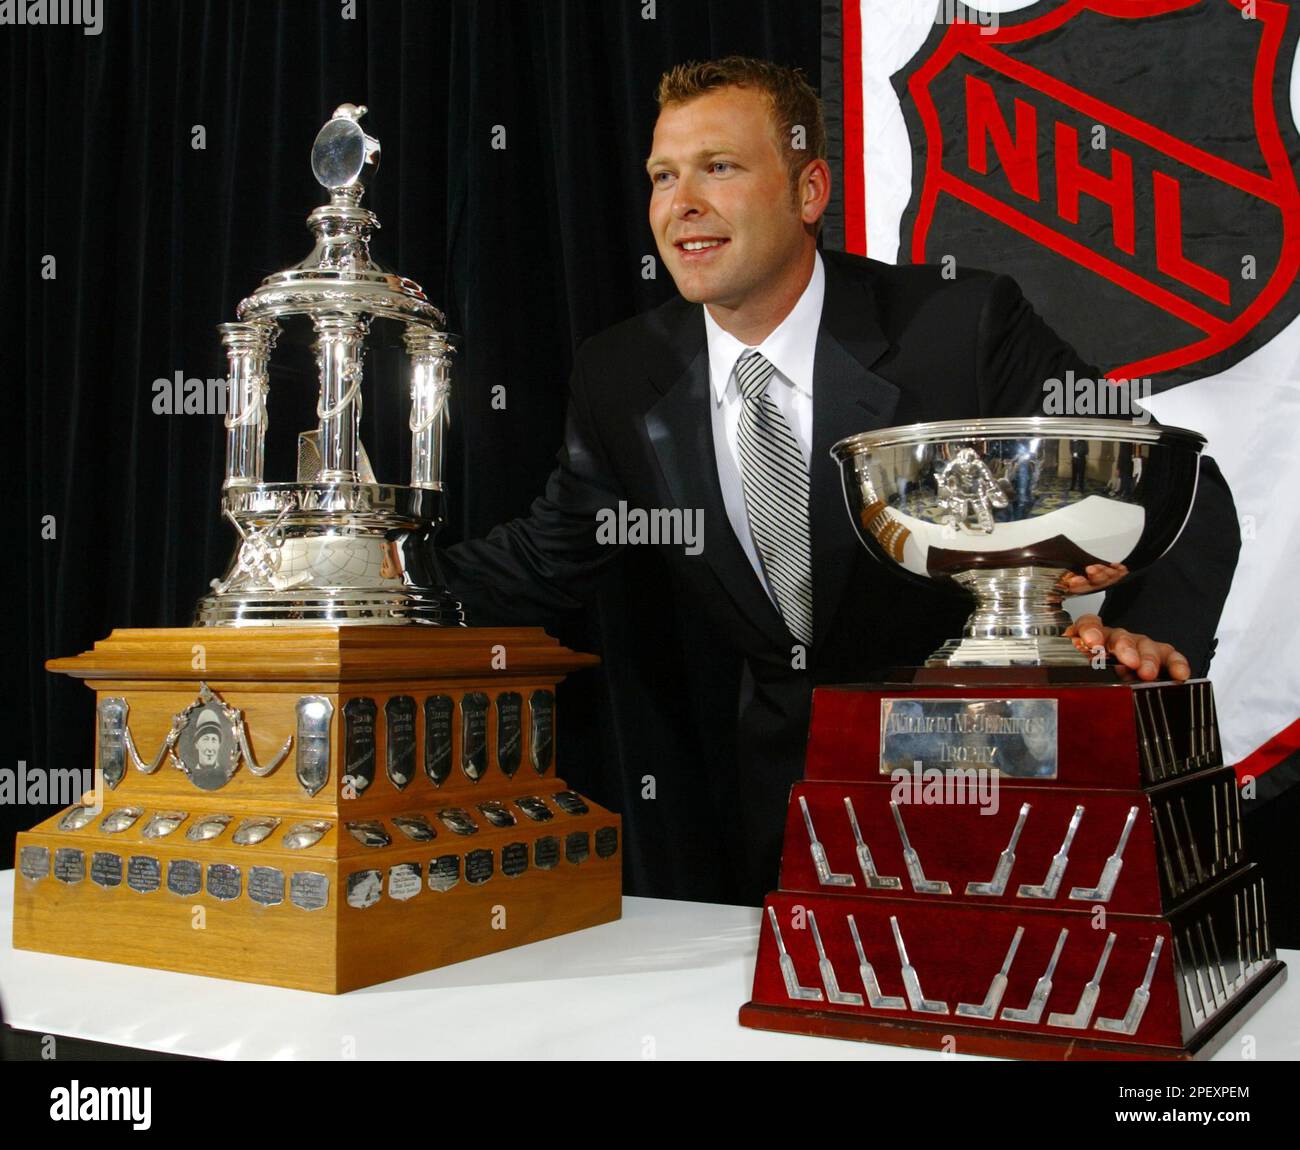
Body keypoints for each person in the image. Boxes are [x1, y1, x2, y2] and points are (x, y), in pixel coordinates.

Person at [437, 57, 1239, 905]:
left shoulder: (961, 325)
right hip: (786, 807)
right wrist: (368, 586)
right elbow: (550, 553)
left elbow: (1182, 489)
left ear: (809, 190)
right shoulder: (622, 371)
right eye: (664, 176)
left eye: (720, 167)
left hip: (993, 781)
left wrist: (1151, 636)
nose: (683, 205)